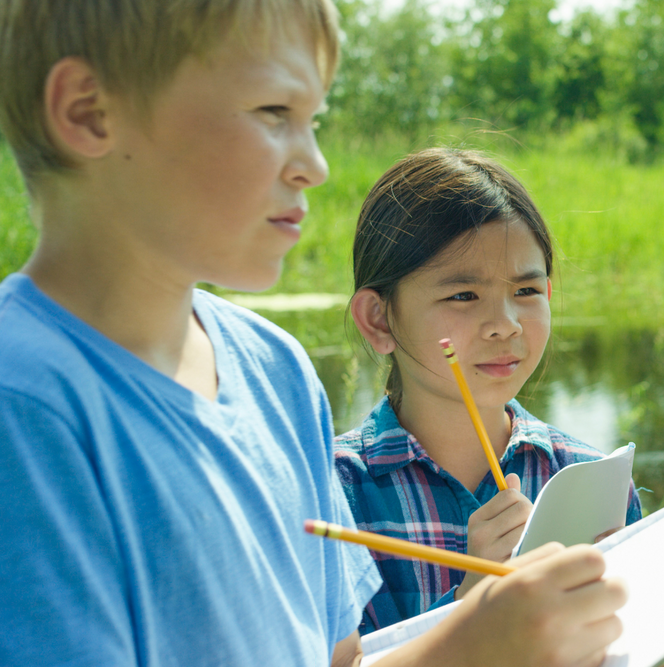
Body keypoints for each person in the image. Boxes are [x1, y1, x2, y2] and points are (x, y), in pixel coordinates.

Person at [0, 2, 625, 666]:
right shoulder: (25, 405)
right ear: (88, 111)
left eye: (313, 121)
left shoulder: (276, 370)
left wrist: (486, 630)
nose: (315, 165)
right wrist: (469, 645)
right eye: (274, 113)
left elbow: (338, 660)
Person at [337, 147, 643, 634]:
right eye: (463, 296)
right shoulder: (335, 492)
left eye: (526, 291)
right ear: (379, 318)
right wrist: (469, 608)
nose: (504, 325)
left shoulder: (588, 480)